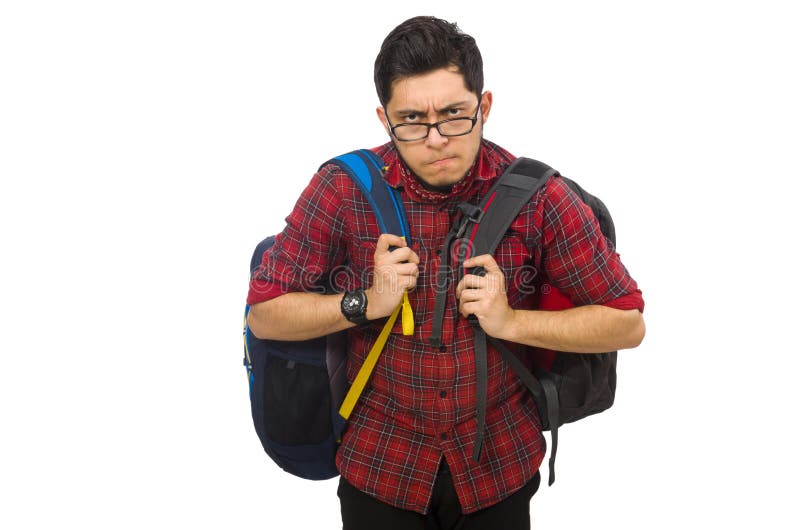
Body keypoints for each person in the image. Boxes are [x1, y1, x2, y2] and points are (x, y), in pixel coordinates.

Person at [247, 15, 645, 530]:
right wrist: (364, 303)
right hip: (380, 464)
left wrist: (512, 323)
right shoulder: (342, 190)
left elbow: (627, 322)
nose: (435, 138)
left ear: (485, 107)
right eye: (411, 119)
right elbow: (265, 316)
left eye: (455, 114)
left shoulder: (540, 197)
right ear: (383, 117)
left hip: (499, 467)